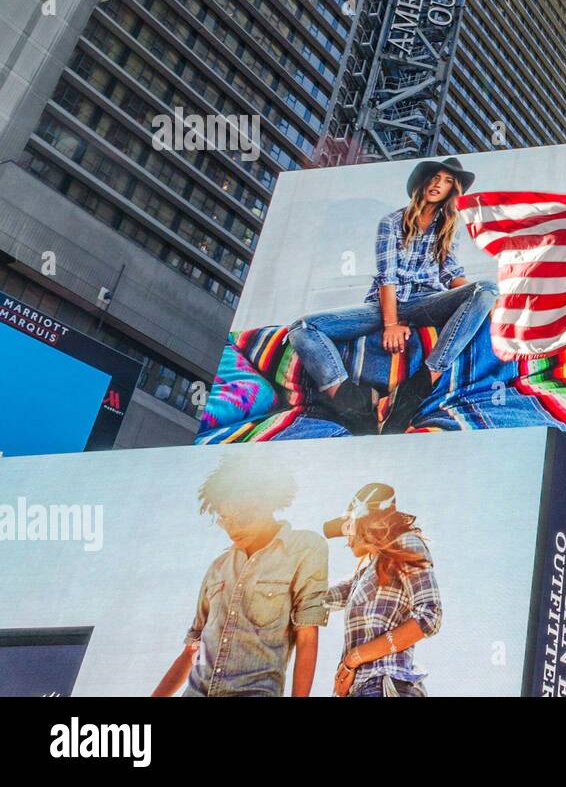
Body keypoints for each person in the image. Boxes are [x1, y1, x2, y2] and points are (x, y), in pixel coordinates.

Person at [287, 158, 499, 435]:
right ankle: (351, 399)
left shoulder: (448, 227)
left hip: (427, 303)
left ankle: (420, 385)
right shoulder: (392, 222)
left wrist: (490, 302)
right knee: (302, 327)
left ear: (452, 190)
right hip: (384, 304)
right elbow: (387, 277)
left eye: (447, 181)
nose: (439, 184)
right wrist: (390, 323)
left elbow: (450, 274)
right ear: (423, 182)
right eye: (435, 177)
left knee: (487, 288)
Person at [152, 458, 327, 697]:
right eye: (225, 519)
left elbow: (307, 635)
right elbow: (192, 649)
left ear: (268, 504)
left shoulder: (305, 548)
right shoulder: (218, 568)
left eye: (243, 518)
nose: (233, 529)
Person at [324, 483, 442, 697]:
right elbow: (319, 598)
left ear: (364, 521)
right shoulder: (365, 575)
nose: (347, 541)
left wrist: (354, 658)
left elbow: (429, 616)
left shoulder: (405, 544)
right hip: (360, 689)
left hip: (383, 684)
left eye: (348, 528)